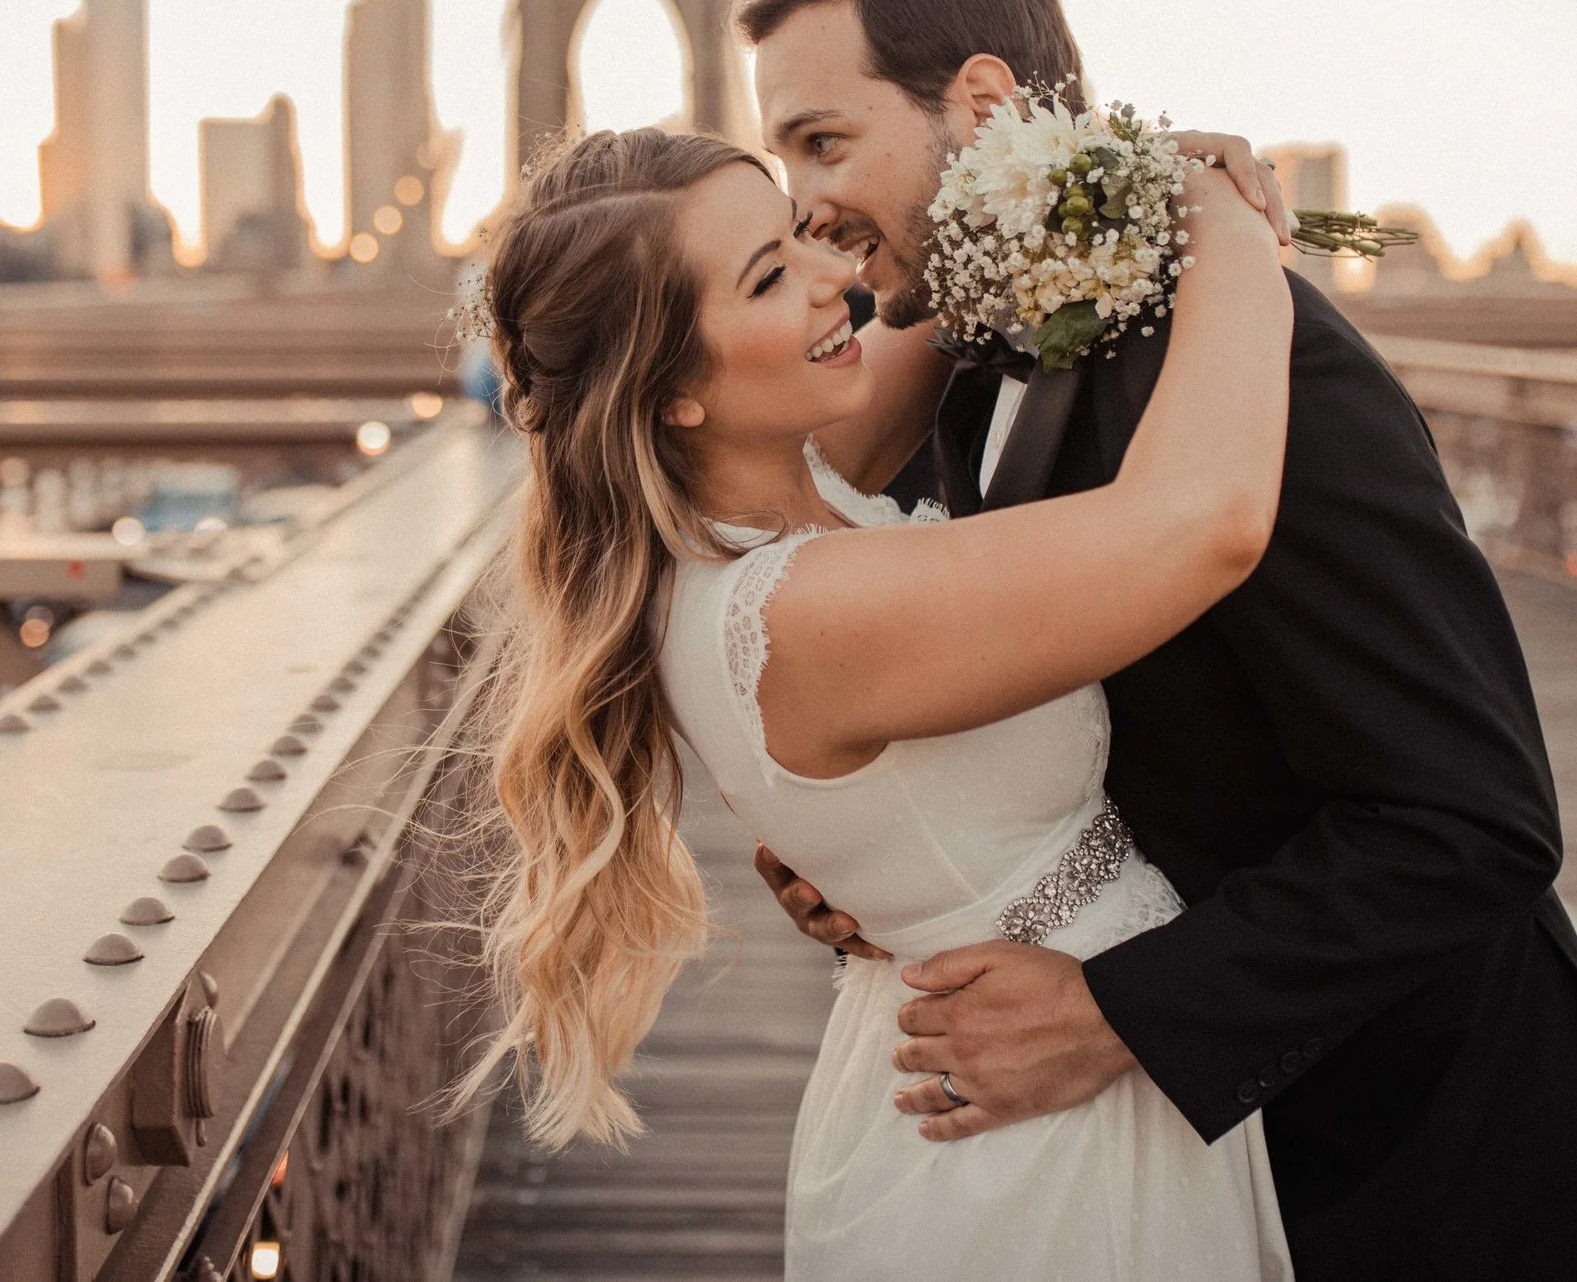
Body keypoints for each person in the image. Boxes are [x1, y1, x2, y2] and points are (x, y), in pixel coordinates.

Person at [739, 0, 1577, 1279]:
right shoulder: (973, 362)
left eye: (822, 141)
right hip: (1187, 1172)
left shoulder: (1253, 367)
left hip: (1400, 1160)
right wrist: (882, 850)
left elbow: (1471, 814)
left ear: (982, 103)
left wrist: (1120, 1014)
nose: (801, 201)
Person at [451, 121, 1299, 1276]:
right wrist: (1226, 219)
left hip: (1036, 1066)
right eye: (768, 276)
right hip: (1023, 1136)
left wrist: (1107, 166)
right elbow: (1206, 523)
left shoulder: (779, 498)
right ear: (673, 389)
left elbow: (936, 291)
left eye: (798, 231)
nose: (834, 272)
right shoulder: (796, 610)